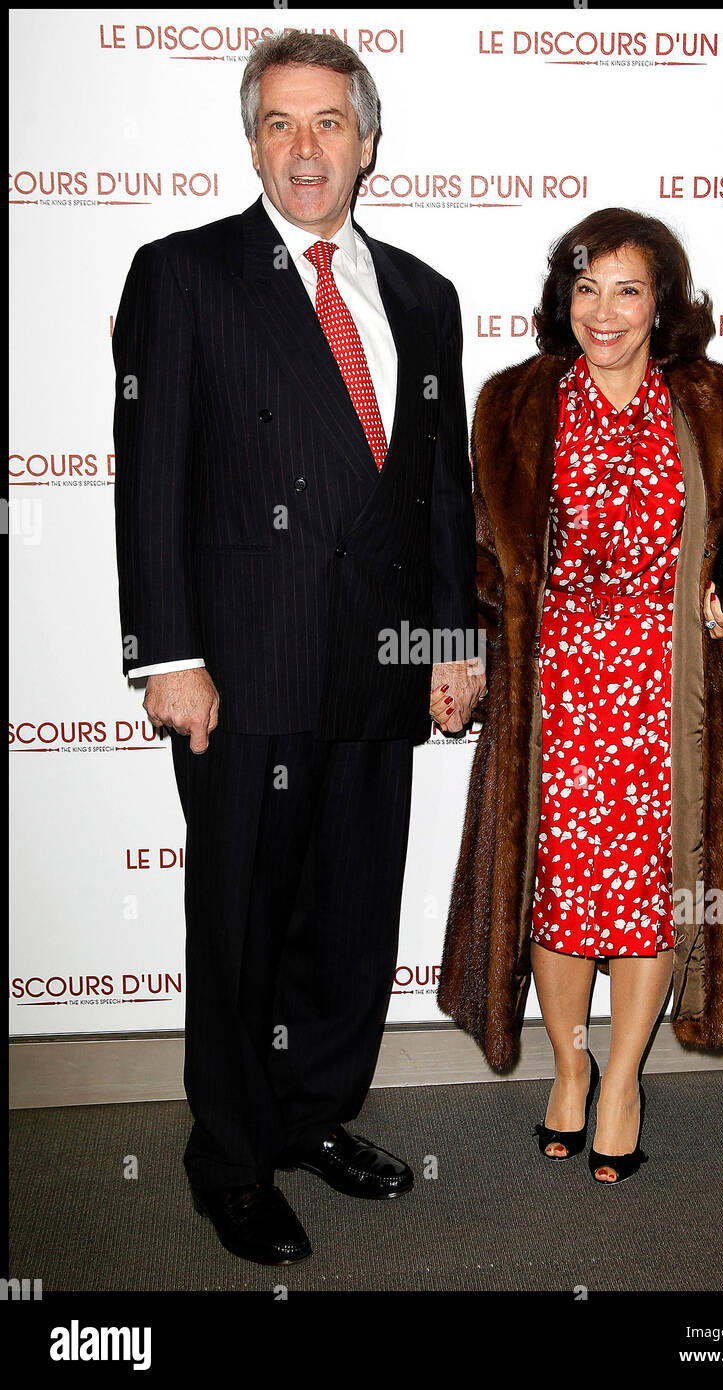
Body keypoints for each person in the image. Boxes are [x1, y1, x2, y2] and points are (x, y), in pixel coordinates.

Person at [113, 31, 483, 1265]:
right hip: (244, 667)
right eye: (279, 123)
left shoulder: (424, 298)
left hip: (379, 667)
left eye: (329, 122)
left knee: (349, 912)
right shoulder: (184, 275)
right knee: (239, 924)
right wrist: (167, 651)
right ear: (252, 142)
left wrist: (449, 644)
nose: (306, 146)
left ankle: (314, 1116)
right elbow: (149, 477)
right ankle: (229, 1157)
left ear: (369, 141)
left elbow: (442, 494)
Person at [438, 207, 723, 1183]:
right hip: (556, 698)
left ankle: (626, 1080)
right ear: (566, 296)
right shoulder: (512, 403)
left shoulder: (715, 404)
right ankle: (569, 1064)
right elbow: (473, 561)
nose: (605, 310)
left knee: (647, 902)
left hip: (664, 698)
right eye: (587, 286)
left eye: (628, 289)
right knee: (557, 903)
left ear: (661, 302)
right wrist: (459, 655)